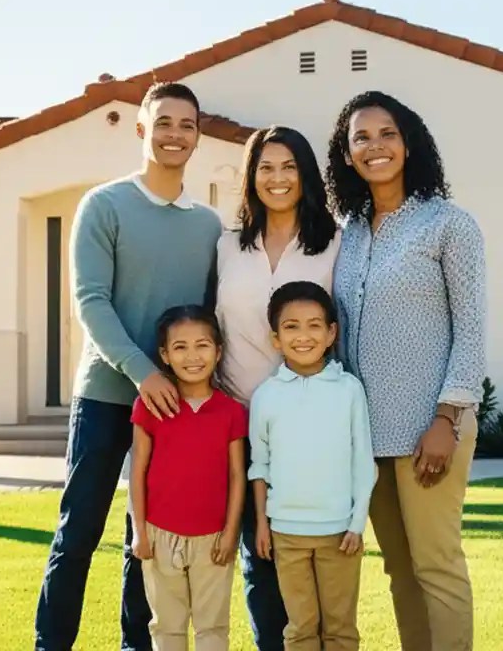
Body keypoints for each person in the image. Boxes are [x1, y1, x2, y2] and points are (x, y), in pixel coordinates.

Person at [34, 81, 225, 651]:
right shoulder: (104, 204)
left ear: (198, 136)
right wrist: (146, 373)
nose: (175, 134)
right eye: (164, 122)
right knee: (79, 532)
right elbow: (90, 300)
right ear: (142, 129)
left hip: (174, 409)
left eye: (187, 125)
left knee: (147, 540)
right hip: (109, 396)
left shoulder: (210, 226)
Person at [326, 91, 486, 651]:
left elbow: (471, 330)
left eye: (387, 133)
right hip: (367, 434)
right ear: (347, 156)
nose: (376, 146)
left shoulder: (448, 224)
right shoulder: (347, 232)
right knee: (399, 570)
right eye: (361, 138)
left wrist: (447, 417)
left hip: (430, 430)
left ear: (409, 141)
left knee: (437, 566)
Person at [208, 125, 341, 650]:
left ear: (306, 176)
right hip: (239, 424)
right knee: (257, 555)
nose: (278, 178)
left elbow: (343, 328)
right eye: (266, 167)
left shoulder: (335, 244)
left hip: (310, 427)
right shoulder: (225, 247)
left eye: (289, 167)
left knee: (314, 558)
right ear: (251, 177)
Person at [247, 281, 376, 651]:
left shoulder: (348, 389)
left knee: (340, 630)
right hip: (286, 534)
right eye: (291, 326)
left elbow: (362, 462)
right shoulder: (266, 396)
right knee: (300, 629)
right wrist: (262, 524)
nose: (303, 336)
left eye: (314, 325)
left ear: (332, 332)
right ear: (275, 338)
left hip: (340, 535)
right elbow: (260, 465)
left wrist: (356, 524)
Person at [129, 305, 247, 651]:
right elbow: (137, 470)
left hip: (213, 539)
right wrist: (140, 532)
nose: (192, 356)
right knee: (166, 627)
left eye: (202, 345)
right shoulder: (150, 406)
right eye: (180, 347)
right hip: (159, 535)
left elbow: (237, 475)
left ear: (218, 351)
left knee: (213, 628)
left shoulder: (231, 411)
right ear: (164, 355)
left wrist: (230, 532)